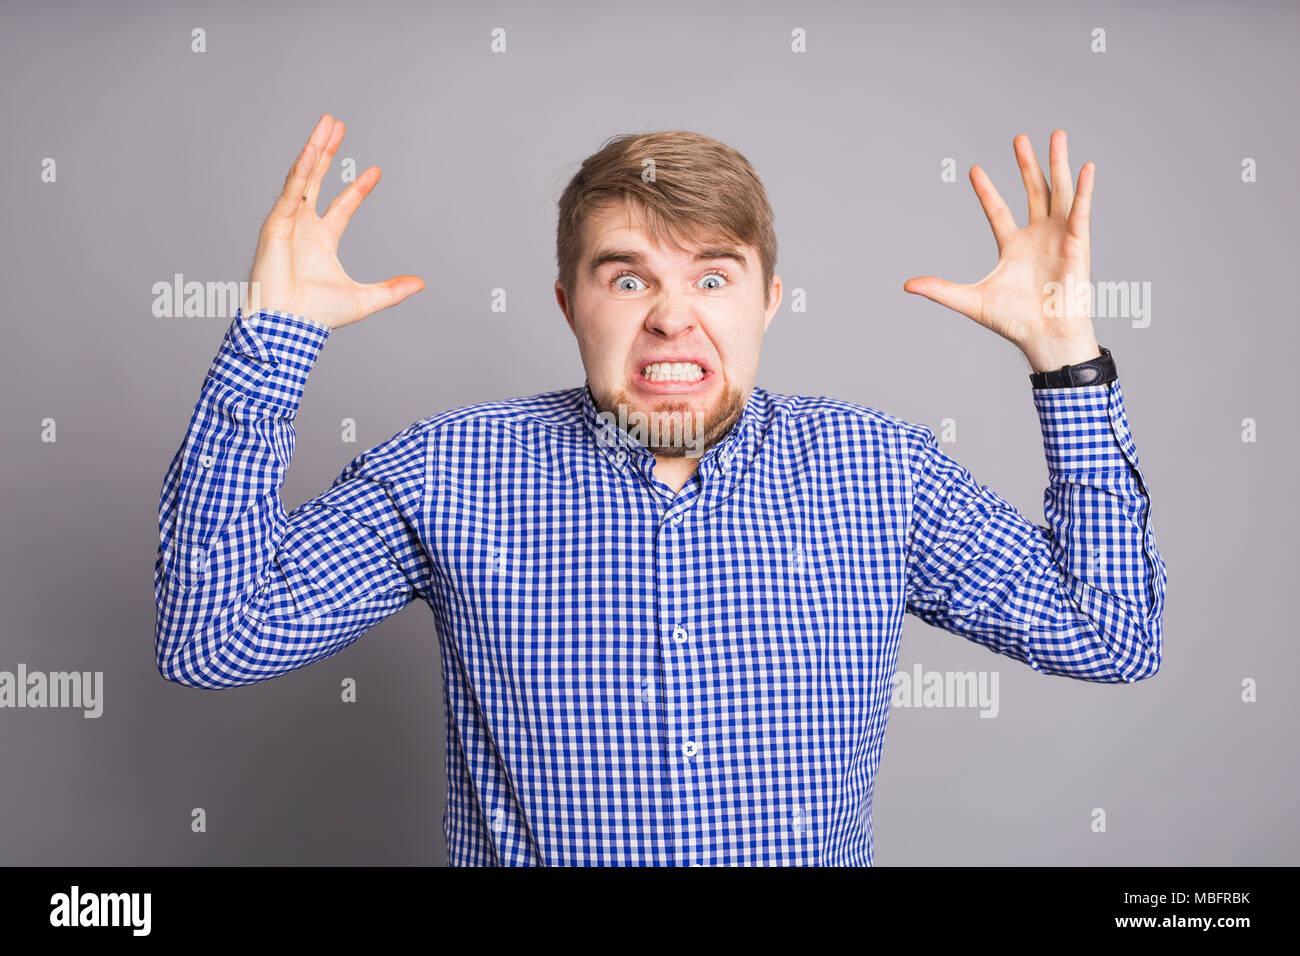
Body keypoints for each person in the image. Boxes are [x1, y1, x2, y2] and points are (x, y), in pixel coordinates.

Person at [154, 114, 1166, 866]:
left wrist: (1065, 360)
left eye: (713, 277)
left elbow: (1111, 633)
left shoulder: (881, 470)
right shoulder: (445, 470)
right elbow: (212, 636)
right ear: (568, 303)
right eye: (628, 277)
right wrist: (272, 346)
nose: (672, 316)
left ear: (769, 298)